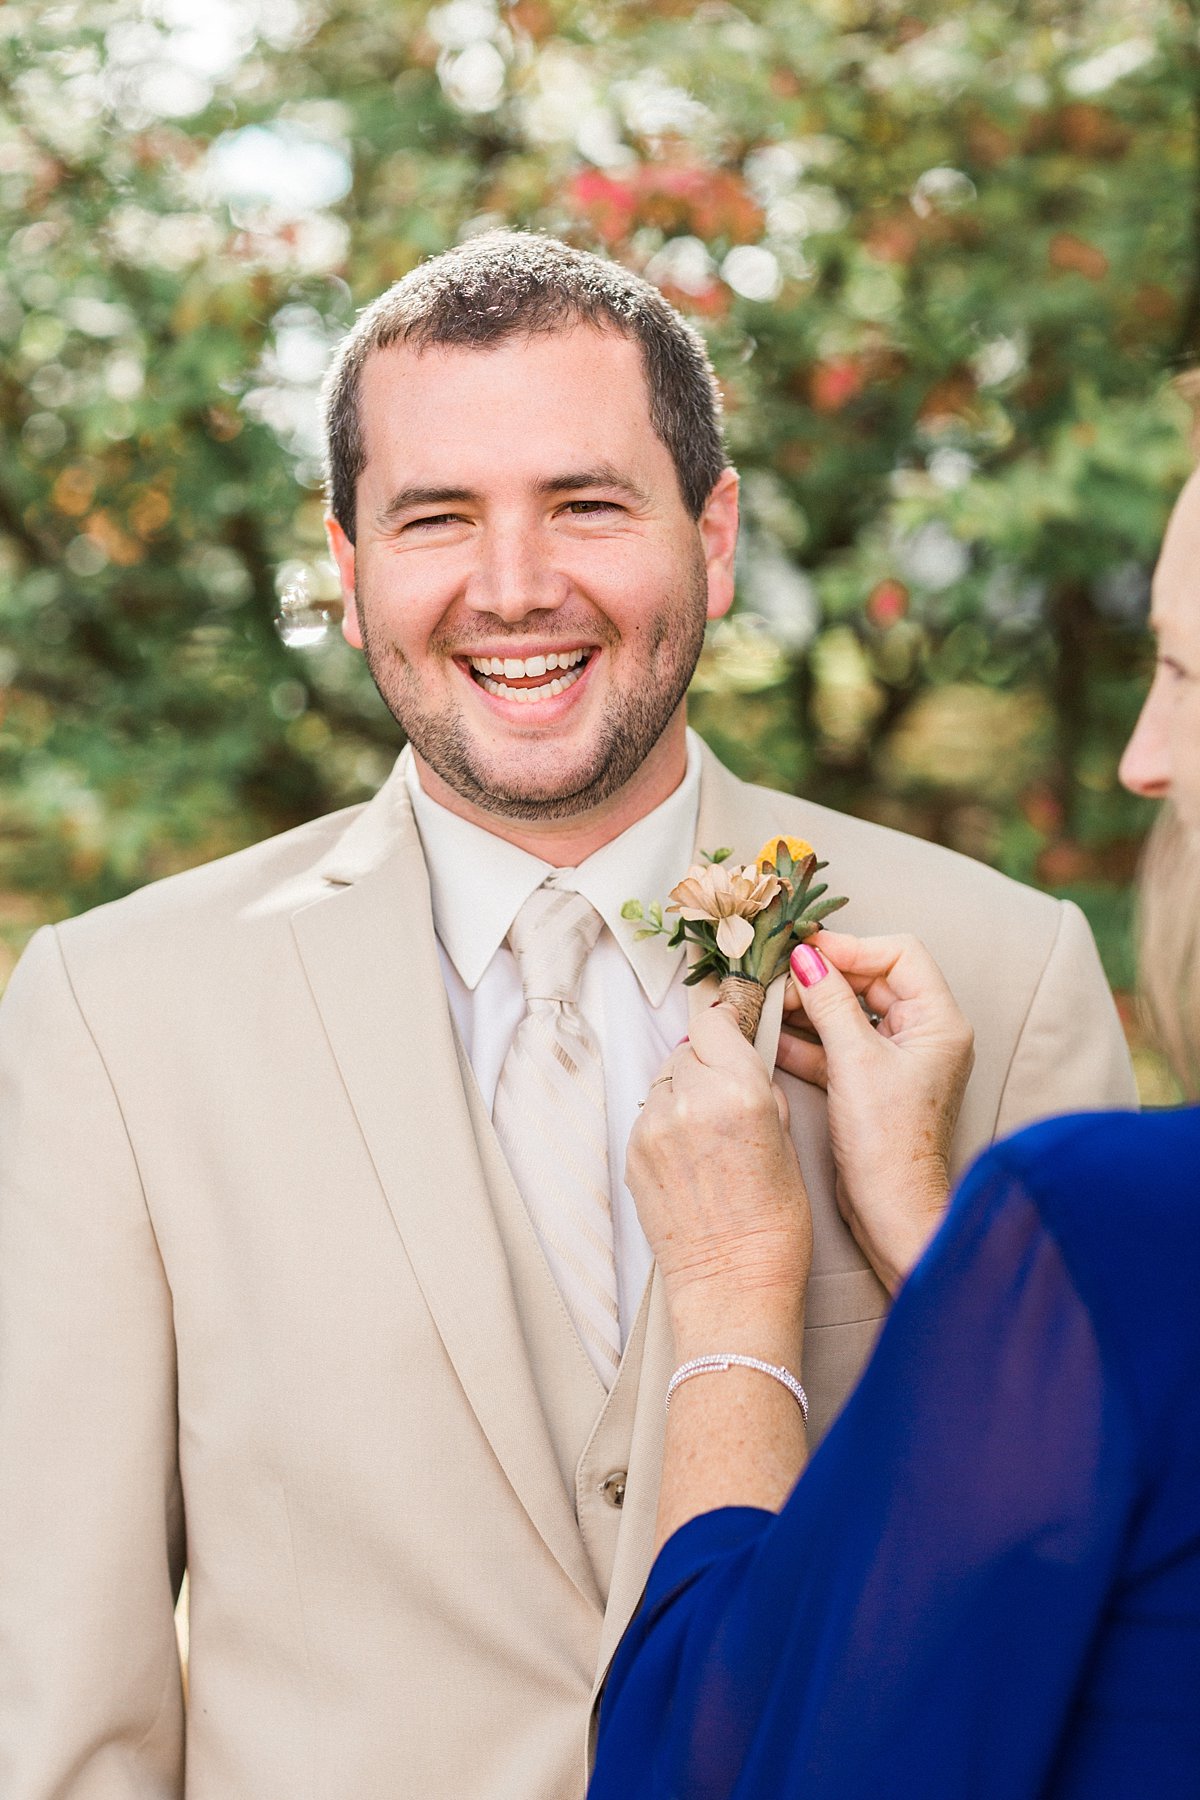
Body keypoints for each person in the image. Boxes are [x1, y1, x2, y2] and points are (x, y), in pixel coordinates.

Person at [0, 232, 1135, 1800]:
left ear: (713, 535)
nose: (516, 586)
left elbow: (1112, 1643)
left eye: (586, 504)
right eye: (436, 518)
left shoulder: (1003, 977)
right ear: (346, 568)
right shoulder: (115, 1019)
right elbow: (68, 1711)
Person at [589, 458, 1200, 1796]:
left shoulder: (1110, 1207)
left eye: (1186, 676)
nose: (1140, 758)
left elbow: (708, 1759)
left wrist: (736, 1285)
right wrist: (946, 1242)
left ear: (715, 534)